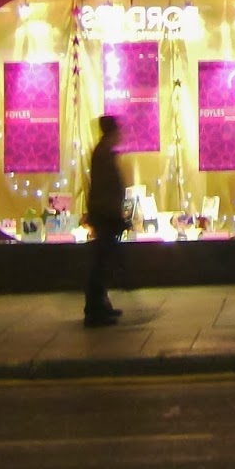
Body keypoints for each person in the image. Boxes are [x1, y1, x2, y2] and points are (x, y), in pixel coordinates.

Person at [83, 115, 127, 327]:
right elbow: (106, 189)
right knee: (101, 263)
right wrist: (115, 215)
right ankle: (95, 309)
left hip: (105, 214)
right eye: (119, 130)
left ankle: (101, 304)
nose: (121, 135)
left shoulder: (103, 152)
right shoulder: (103, 154)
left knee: (103, 262)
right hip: (105, 215)